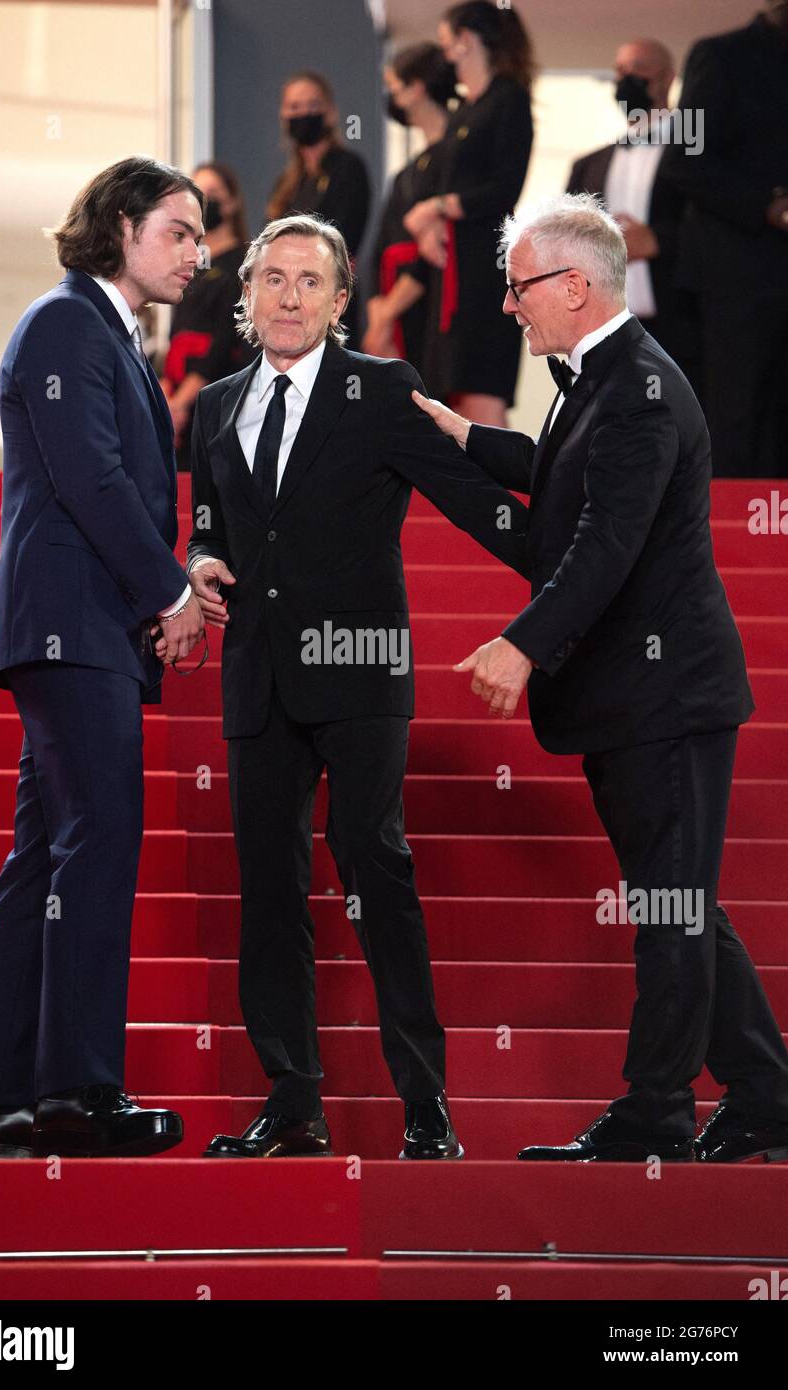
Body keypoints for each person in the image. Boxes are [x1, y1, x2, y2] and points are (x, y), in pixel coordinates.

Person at [415, 192, 788, 1164]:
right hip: (642, 699)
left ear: (573, 285)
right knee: (679, 903)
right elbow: (556, 473)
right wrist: (459, 438)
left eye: (517, 286)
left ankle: (655, 1111)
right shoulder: (599, 376)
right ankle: (765, 1096)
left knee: (668, 910)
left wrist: (521, 642)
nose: (507, 307)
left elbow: (603, 541)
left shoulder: (639, 388)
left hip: (668, 700)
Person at [185, 212, 530, 1160]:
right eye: (273, 279)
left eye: (310, 281)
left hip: (360, 666)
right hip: (258, 672)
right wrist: (201, 558)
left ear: (341, 302)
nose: (288, 296)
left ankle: (426, 1105)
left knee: (375, 866)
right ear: (247, 295)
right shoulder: (214, 406)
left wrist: (566, 574)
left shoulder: (381, 390)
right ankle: (293, 1101)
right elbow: (210, 521)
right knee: (269, 887)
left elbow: (471, 500)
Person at [0, 157, 206, 1160]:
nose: (199, 252)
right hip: (73, 626)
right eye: (181, 231)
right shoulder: (68, 322)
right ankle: (76, 1089)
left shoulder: (103, 330)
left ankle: (5, 1097)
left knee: (46, 857)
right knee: (97, 841)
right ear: (120, 223)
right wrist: (174, 590)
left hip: (77, 627)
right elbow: (93, 482)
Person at [365, 2, 533, 425]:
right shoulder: (467, 111)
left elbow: (504, 187)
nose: (442, 55)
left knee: (480, 399)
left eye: (445, 43)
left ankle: (504, 490)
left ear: (466, 41)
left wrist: (436, 208)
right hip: (450, 270)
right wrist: (432, 221)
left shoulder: (508, 97)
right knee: (454, 404)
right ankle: (476, 489)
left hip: (481, 268)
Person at [661, 0, 788, 477]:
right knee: (740, 413)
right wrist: (769, 206)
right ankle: (735, 540)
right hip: (737, 278)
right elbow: (683, 159)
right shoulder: (719, 55)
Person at [566, 37, 701, 393]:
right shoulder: (588, 165)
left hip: (684, 325)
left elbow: (716, 229)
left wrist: (659, 241)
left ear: (668, 78)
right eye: (620, 71)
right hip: (608, 329)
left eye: (639, 69)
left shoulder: (696, 155)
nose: (627, 79)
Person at [363, 43, 457, 382]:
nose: (390, 95)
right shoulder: (405, 173)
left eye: (394, 85)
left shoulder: (455, 155)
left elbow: (435, 247)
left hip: (432, 303)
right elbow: (379, 248)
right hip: (393, 304)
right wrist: (377, 313)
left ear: (416, 88)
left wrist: (388, 314)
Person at [160, 161, 257, 469]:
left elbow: (222, 340)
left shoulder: (245, 265)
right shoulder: (189, 266)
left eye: (214, 193)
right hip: (177, 401)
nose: (206, 202)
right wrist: (163, 396)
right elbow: (174, 336)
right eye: (199, 194)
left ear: (232, 201)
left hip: (216, 404)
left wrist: (180, 403)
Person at [267, 70, 370, 338]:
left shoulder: (347, 167)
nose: (303, 114)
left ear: (331, 113)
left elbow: (342, 240)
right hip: (286, 307)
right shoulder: (287, 183)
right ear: (283, 116)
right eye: (294, 107)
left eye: (312, 105)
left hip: (329, 303)